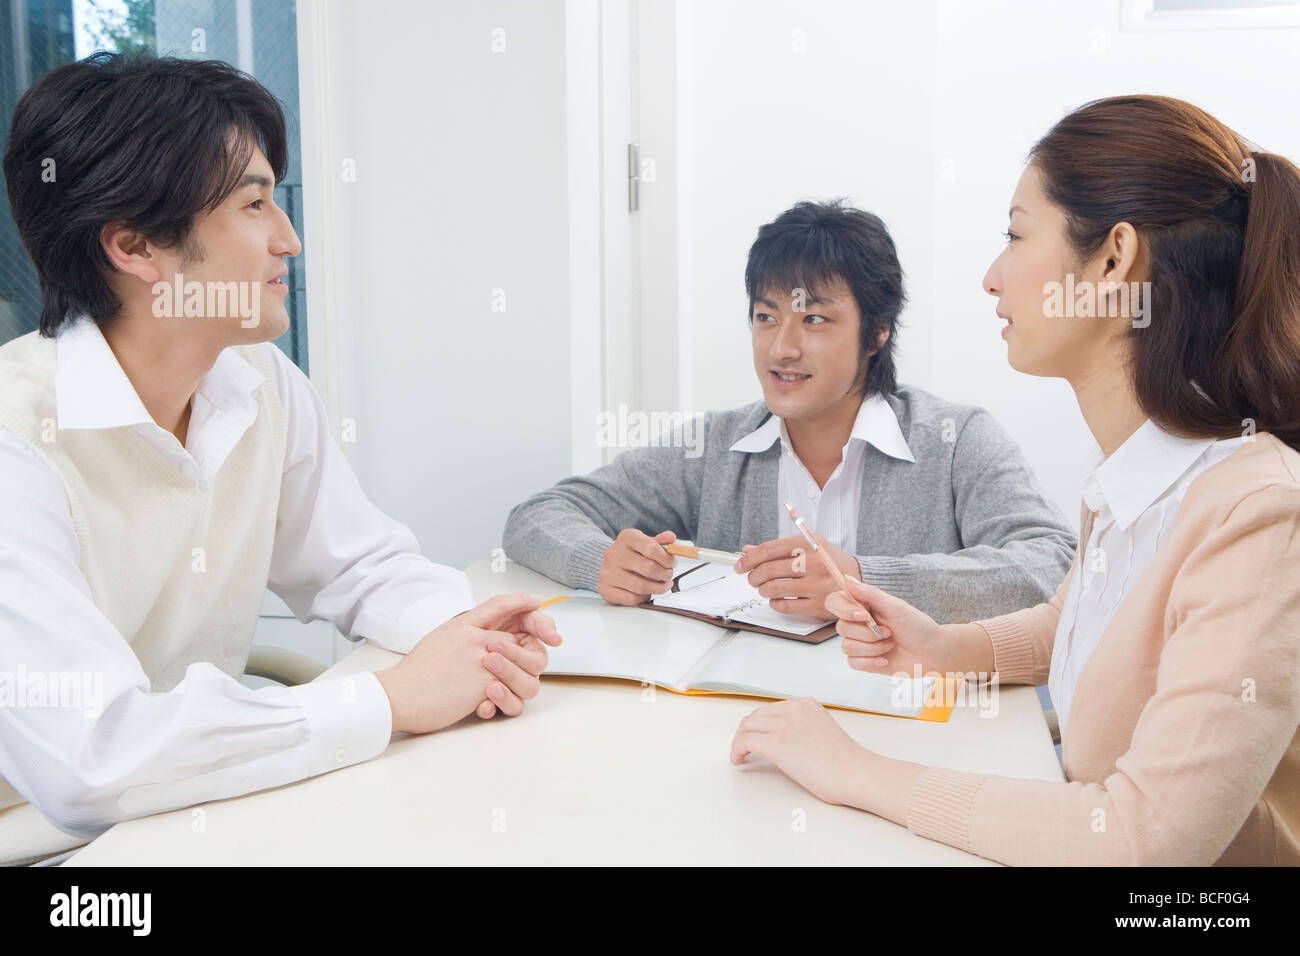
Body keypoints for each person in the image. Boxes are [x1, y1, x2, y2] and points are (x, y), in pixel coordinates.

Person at [0, 52, 559, 839]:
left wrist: (476, 637)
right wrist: (389, 699)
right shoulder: (16, 443)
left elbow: (361, 565)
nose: (289, 240)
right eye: (255, 205)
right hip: (53, 841)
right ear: (136, 246)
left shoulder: (258, 381)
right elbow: (94, 761)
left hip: (199, 808)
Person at [731, 94, 1300, 866]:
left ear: (1112, 261)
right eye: (765, 318)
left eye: (1016, 235)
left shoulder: (1259, 515)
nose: (992, 278)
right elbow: (1078, 627)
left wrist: (856, 772)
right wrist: (940, 649)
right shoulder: (1137, 478)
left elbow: (1144, 839)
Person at [503, 200, 1075, 625]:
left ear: (877, 332)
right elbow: (537, 515)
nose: (781, 348)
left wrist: (861, 580)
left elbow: (1052, 565)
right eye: (766, 317)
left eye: (815, 320)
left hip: (899, 719)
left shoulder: (955, 440)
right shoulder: (716, 447)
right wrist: (600, 562)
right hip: (744, 717)